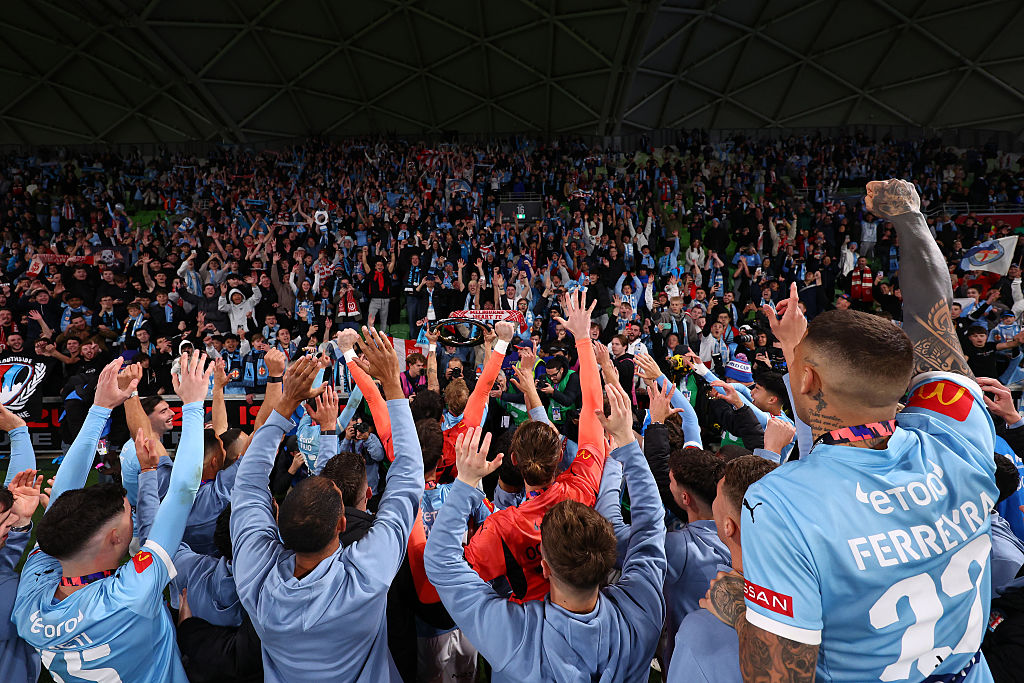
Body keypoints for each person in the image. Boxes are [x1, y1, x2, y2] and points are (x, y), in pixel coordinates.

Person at [701, 179, 1001, 682]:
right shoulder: (960, 431)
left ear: (809, 378)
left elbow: (778, 677)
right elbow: (934, 326)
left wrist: (741, 608)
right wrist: (910, 216)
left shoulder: (778, 504)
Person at [424, 381, 666, 682]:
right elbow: (652, 524)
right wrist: (626, 441)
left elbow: (441, 564)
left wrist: (465, 483)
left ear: (545, 566)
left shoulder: (513, 636)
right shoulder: (643, 611)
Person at [230, 330, 424, 681]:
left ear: (278, 523)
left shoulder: (254, 580)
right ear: (341, 525)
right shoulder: (367, 576)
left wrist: (287, 404)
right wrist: (393, 387)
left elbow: (246, 484)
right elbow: (409, 474)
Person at [15, 353, 211, 682]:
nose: (132, 517)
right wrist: (193, 405)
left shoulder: (32, 601)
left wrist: (100, 408)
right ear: (115, 538)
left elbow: (62, 501)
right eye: (129, 515)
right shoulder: (131, 593)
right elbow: (182, 491)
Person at [668, 455, 779, 683]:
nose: (714, 500)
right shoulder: (824, 595)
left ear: (729, 526)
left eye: (717, 496)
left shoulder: (701, 631)